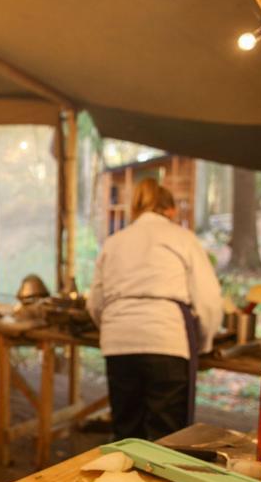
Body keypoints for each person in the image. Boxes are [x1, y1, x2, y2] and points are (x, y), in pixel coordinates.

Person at [87, 178, 222, 441]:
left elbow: (95, 303)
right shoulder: (182, 238)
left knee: (127, 434)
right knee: (166, 440)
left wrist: (115, 328)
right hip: (166, 342)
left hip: (119, 345)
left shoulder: (115, 242)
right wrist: (202, 344)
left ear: (136, 210)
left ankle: (121, 481)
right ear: (170, 210)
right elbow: (209, 301)